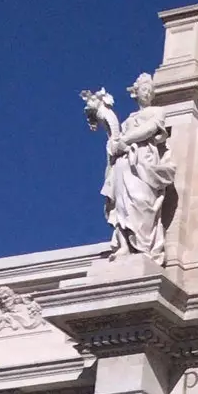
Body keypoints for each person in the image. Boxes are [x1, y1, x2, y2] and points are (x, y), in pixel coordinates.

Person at [82, 75, 175, 259]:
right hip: (124, 162)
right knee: (122, 204)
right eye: (143, 89)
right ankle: (125, 244)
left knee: (140, 200)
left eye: (150, 89)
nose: (147, 92)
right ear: (136, 93)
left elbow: (150, 129)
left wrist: (124, 139)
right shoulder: (129, 118)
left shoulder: (158, 112)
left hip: (143, 161)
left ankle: (143, 245)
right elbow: (115, 138)